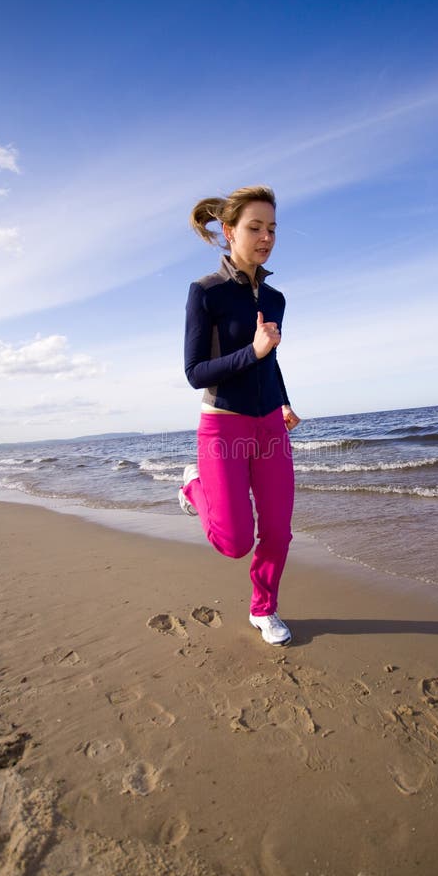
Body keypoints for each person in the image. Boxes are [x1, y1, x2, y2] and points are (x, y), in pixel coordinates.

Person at [179, 185, 301, 646]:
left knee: (277, 530)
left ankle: (263, 608)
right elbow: (195, 372)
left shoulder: (277, 298)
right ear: (229, 232)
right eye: (255, 227)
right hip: (223, 424)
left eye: (272, 228)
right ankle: (194, 486)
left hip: (269, 421)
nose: (265, 236)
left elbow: (269, 360)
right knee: (234, 542)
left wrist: (284, 399)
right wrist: (252, 350)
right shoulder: (205, 293)